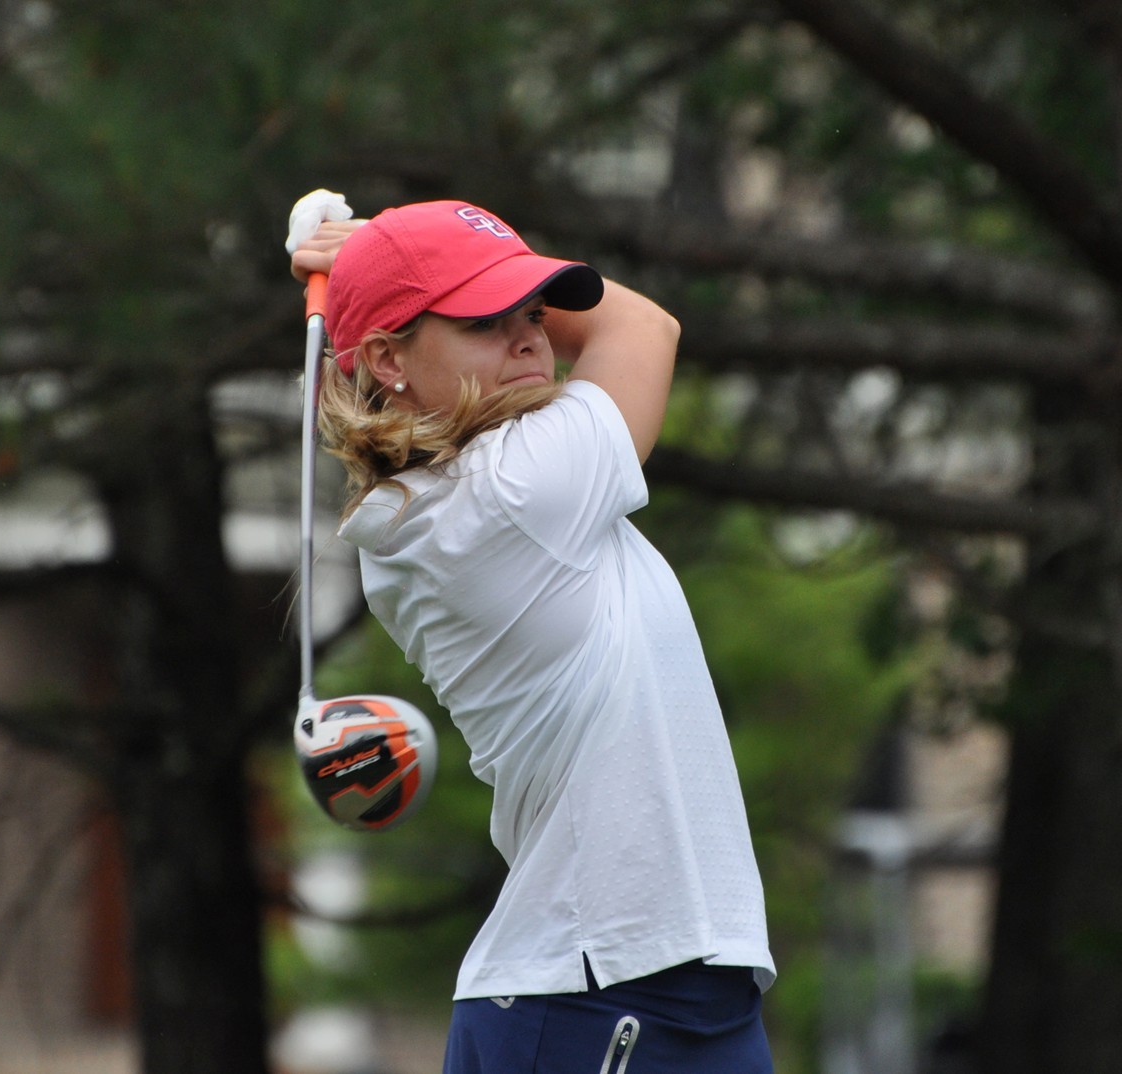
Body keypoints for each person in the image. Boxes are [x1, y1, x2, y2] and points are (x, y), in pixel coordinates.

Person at [290, 200, 774, 1074]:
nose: (529, 342)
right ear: (389, 360)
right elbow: (641, 323)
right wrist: (370, 253)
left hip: (660, 990)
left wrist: (387, 271)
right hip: (598, 1001)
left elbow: (603, 333)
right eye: (485, 320)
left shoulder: (453, 498)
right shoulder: (513, 494)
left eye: (534, 316)